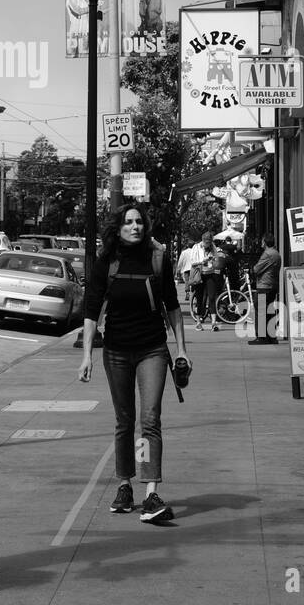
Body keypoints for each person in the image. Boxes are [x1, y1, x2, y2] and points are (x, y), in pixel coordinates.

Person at [79, 203, 191, 521]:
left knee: (150, 419)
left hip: (152, 349)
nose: (135, 226)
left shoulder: (156, 259)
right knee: (124, 421)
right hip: (115, 351)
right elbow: (91, 308)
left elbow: (172, 305)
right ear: (118, 227)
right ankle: (125, 485)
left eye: (139, 221)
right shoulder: (107, 261)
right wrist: (87, 354)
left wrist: (181, 349)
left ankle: (151, 493)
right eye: (128, 222)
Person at [250, 231, 281, 345]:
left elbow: (256, 269)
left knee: (261, 311)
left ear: (265, 242)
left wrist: (254, 268)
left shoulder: (267, 254)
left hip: (264, 286)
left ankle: (262, 337)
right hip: (272, 285)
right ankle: (271, 336)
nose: (261, 243)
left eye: (262, 241)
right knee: (269, 311)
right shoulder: (276, 253)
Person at [175, 234, 194, 307]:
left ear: (187, 245)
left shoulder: (184, 252)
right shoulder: (195, 252)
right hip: (194, 268)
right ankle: (193, 293)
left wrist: (178, 269)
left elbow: (180, 261)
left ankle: (187, 293)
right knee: (194, 281)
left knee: (187, 281)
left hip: (186, 269)